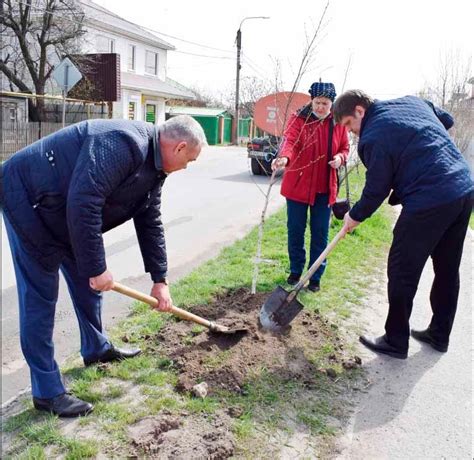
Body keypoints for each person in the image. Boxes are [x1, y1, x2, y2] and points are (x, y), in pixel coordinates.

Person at [1, 115, 208, 416]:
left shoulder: (154, 169)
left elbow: (150, 221)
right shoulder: (123, 143)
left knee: (89, 285)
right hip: (28, 202)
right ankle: (46, 393)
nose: (186, 167)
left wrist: (160, 279)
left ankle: (96, 348)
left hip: (65, 213)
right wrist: (96, 267)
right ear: (179, 147)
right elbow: (85, 200)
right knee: (40, 298)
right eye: (189, 160)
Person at [333, 90, 473, 359]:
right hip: (464, 189)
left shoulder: (373, 137)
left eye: (350, 125)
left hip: (429, 198)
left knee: (401, 269)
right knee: (447, 267)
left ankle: (396, 340)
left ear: (360, 111)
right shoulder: (412, 101)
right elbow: (447, 119)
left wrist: (355, 216)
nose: (352, 133)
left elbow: (376, 189)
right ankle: (439, 334)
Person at [272, 82, 349, 292]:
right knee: (295, 230)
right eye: (317, 102)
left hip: (324, 188)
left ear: (332, 103)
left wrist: (340, 158)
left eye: (325, 103)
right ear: (311, 101)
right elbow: (291, 143)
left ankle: (315, 276)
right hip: (298, 186)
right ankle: (296, 270)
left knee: (320, 233)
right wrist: (284, 159)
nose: (320, 107)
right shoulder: (299, 119)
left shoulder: (339, 123)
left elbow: (345, 147)